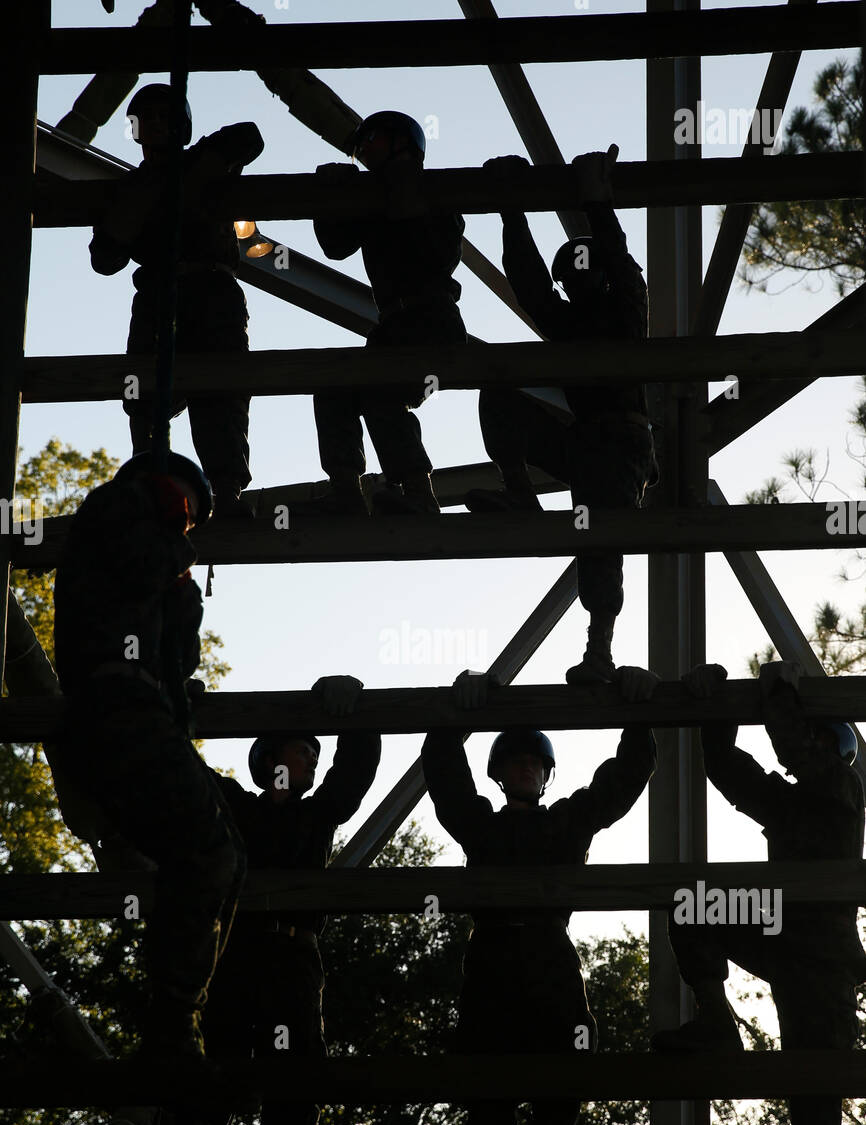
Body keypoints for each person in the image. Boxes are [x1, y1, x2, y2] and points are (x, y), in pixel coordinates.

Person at [421, 666, 658, 1125]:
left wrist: (637, 709)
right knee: (488, 1091)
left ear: (547, 775)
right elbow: (444, 777)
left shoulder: (566, 822)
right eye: (515, 761)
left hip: (553, 962)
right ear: (499, 773)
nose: (525, 766)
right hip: (494, 961)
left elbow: (624, 780)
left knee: (562, 1091)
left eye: (534, 761)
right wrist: (458, 709)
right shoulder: (480, 824)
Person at [653, 660, 865, 1125]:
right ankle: (717, 1023)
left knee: (817, 1081)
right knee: (694, 907)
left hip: (824, 959)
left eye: (819, 739)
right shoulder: (789, 800)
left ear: (832, 748)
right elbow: (726, 766)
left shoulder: (844, 789)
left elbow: (793, 749)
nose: (809, 745)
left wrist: (772, 688)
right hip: (784, 935)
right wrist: (716, 701)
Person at [52, 450, 246, 1058]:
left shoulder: (157, 557)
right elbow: (137, 564)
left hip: (136, 718)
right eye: (184, 507)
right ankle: (173, 1015)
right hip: (117, 712)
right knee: (211, 854)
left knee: (223, 860)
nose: (186, 523)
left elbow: (178, 664)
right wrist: (164, 527)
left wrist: (185, 597)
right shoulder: (117, 510)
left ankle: (179, 1010)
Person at [183, 676, 381, 1125]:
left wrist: (350, 701)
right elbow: (176, 767)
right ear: (270, 758)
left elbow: (358, 765)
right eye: (303, 750)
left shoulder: (318, 815)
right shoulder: (233, 808)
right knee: (217, 1078)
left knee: (293, 1084)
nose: (314, 760)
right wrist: (181, 701)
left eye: (317, 752)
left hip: (294, 959)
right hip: (237, 957)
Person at [465, 147, 658, 684]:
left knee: (599, 536)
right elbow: (529, 282)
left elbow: (618, 262)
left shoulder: (625, 312)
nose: (574, 285)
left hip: (621, 445)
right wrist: (512, 213)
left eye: (579, 277)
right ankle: (519, 493)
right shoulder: (575, 320)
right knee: (498, 388)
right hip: (588, 442)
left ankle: (600, 652)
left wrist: (595, 203)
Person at [89, 84, 264, 516]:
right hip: (157, 297)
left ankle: (226, 494)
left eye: (164, 117)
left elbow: (249, 137)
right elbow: (105, 258)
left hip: (212, 291)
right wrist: (141, 204)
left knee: (219, 392)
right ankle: (149, 489)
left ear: (180, 125)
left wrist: (198, 167)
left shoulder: (202, 163)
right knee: (145, 398)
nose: (155, 125)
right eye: (146, 118)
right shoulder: (133, 188)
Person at [300, 111, 467, 517]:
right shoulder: (373, 199)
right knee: (335, 384)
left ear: (401, 142)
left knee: (380, 389)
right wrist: (331, 196)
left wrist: (385, 198)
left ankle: (417, 492)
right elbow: (335, 244)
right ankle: (346, 489)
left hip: (431, 320)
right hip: (396, 325)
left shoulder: (431, 193)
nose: (363, 149)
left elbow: (442, 255)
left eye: (372, 139)